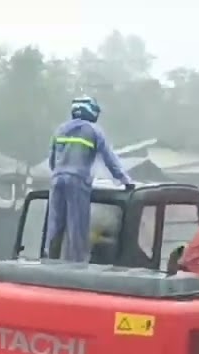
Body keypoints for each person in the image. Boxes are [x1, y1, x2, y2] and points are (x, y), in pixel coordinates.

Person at [47, 97, 134, 262]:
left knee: (55, 227)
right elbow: (110, 159)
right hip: (77, 182)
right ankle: (76, 267)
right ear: (92, 111)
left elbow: (52, 161)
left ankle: (49, 262)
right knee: (77, 229)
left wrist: (59, 172)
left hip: (57, 180)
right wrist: (125, 180)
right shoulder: (93, 131)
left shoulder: (60, 130)